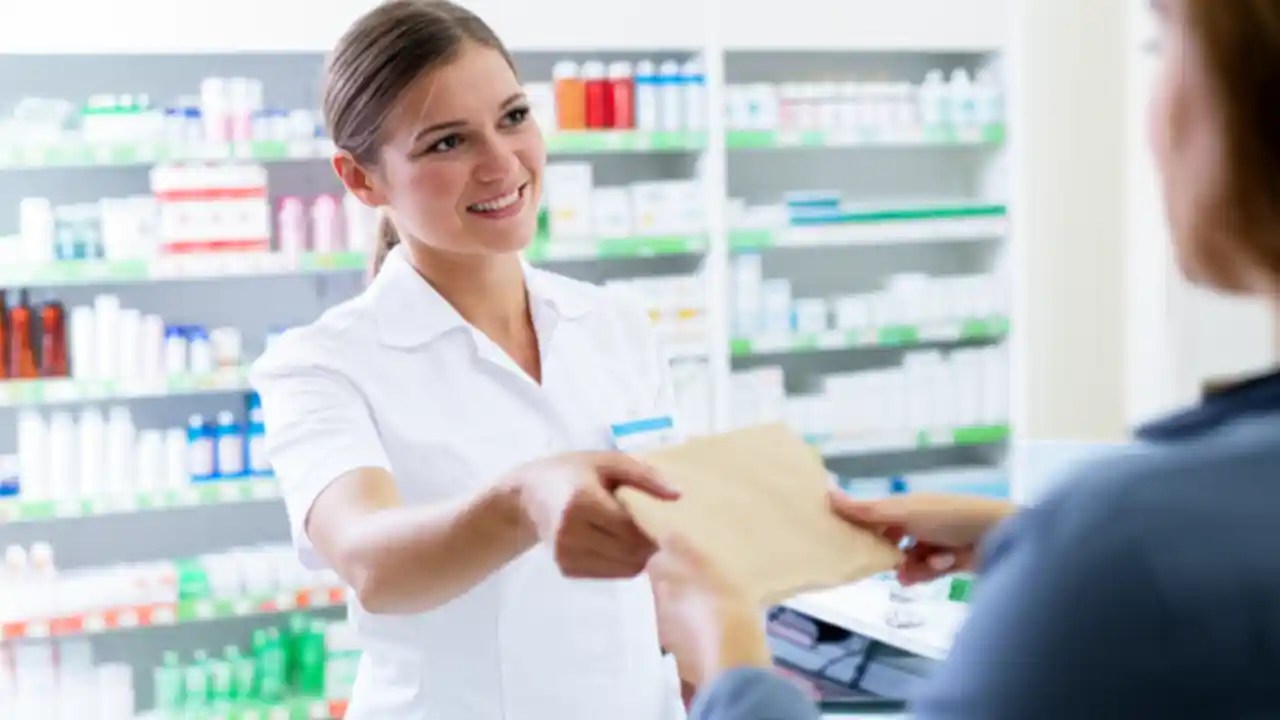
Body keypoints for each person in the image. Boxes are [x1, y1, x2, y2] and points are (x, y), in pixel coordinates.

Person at [650, 0, 1280, 717]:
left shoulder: (1127, 544)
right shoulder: (1151, 535)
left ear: (1250, 96)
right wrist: (1029, 532)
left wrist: (729, 653)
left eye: (1161, 50)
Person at [250, 2, 688, 717]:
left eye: (513, 117)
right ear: (362, 180)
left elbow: (667, 553)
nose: (502, 164)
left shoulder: (615, 325)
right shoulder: (321, 366)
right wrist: (525, 500)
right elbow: (371, 560)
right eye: (448, 143)